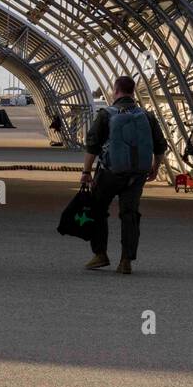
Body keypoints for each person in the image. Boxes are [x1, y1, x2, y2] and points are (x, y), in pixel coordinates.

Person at [81, 75, 167, 274]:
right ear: (133, 91)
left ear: (116, 91)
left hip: (110, 173)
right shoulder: (147, 115)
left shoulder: (106, 114)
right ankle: (126, 260)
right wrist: (155, 166)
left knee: (98, 210)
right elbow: (160, 146)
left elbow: (92, 146)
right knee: (130, 215)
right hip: (137, 175)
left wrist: (86, 172)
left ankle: (100, 254)